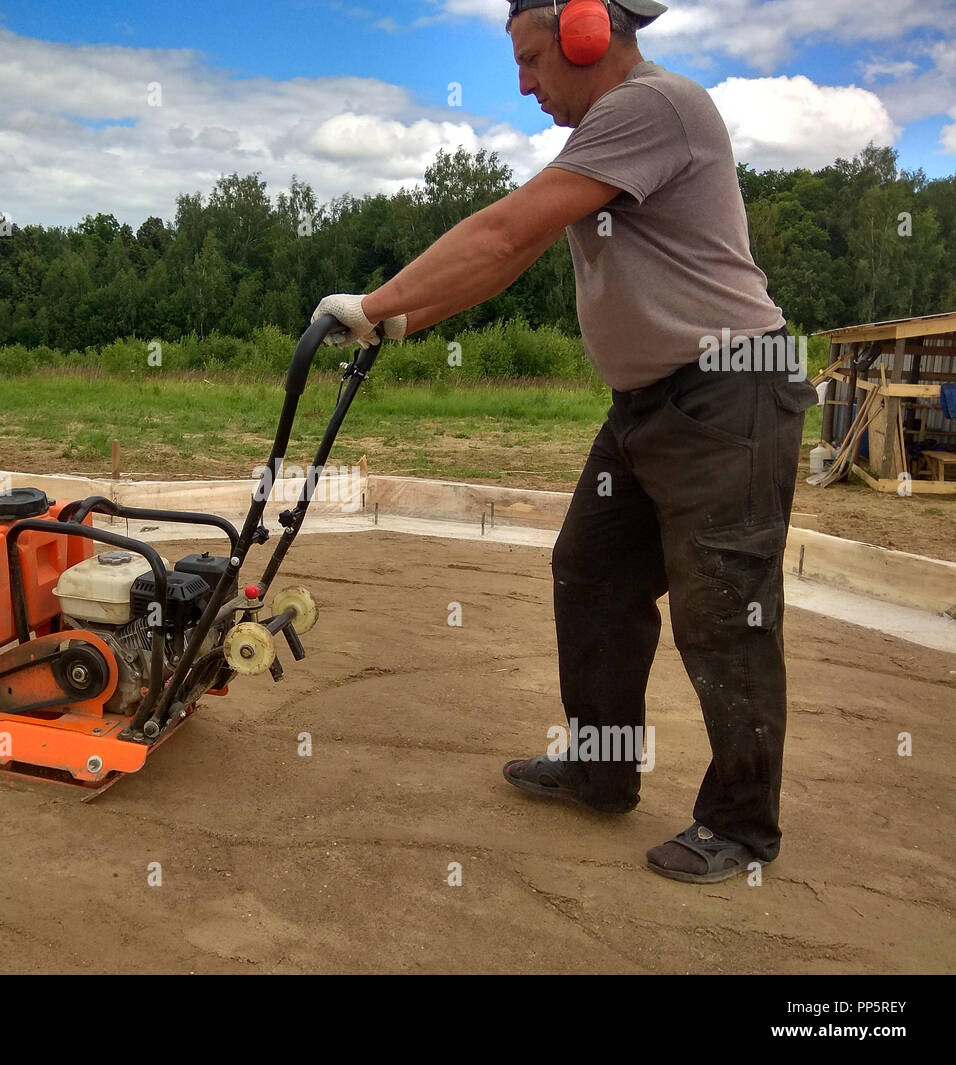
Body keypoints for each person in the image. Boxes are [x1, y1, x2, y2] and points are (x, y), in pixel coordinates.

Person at [311, 0, 818, 884]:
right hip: (650, 405)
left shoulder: (653, 106)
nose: (523, 82)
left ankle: (742, 821)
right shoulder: (606, 138)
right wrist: (397, 323)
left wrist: (375, 301)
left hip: (729, 395)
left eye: (533, 57)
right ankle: (602, 769)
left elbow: (506, 229)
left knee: (723, 611)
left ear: (588, 30)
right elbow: (513, 254)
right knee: (590, 574)